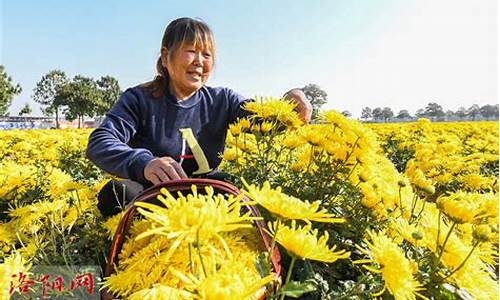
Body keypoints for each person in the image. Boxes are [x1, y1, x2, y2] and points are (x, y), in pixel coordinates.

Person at [86, 17, 312, 217]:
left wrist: (291, 101)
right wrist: (144, 163)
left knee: (240, 189)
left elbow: (264, 118)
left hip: (205, 195)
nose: (199, 61)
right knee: (117, 193)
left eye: (207, 54)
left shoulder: (223, 100)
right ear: (166, 56)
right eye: (191, 51)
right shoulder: (139, 99)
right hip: (152, 194)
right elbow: (100, 142)